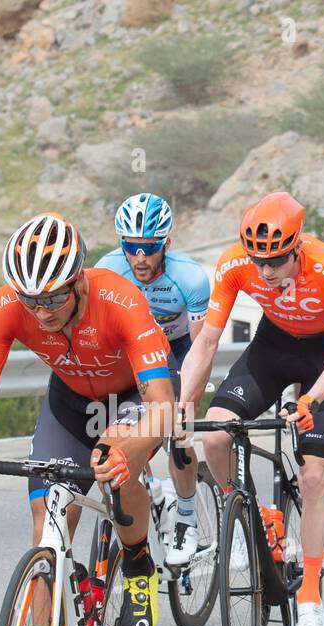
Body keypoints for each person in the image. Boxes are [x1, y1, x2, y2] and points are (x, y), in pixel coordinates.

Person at [0, 214, 176, 626]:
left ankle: (138, 570)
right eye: (31, 301)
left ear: (78, 282)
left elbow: (163, 407)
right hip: (70, 405)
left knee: (118, 468)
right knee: (46, 522)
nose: (41, 311)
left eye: (52, 298)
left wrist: (127, 450)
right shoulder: (9, 306)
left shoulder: (119, 299)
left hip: (134, 401)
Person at [178, 192, 324, 626]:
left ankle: (310, 594)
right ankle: (241, 521)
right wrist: (182, 404)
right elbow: (207, 342)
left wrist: (310, 399)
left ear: (296, 248)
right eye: (258, 261)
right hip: (272, 349)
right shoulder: (233, 265)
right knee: (215, 434)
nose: (265, 272)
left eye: (276, 261)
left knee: (313, 476)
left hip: (323, 360)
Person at [96, 193, 210, 566]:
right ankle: (152, 488)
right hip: (132, 351)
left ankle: (187, 517)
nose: (140, 257)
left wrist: (186, 401)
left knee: (177, 432)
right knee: (121, 424)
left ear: (166, 244)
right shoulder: (108, 271)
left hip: (177, 350)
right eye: (132, 247)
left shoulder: (189, 277)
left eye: (149, 247)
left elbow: (200, 348)